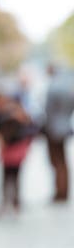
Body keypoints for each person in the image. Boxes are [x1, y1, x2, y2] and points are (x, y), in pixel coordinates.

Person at [0, 90, 33, 216]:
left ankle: (11, 201)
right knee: (10, 176)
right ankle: (11, 201)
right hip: (12, 149)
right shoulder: (9, 113)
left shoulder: (14, 114)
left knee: (10, 176)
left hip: (14, 149)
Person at [44, 64, 74, 202]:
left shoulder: (55, 86)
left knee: (58, 161)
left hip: (54, 128)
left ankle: (60, 191)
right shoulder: (67, 85)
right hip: (64, 126)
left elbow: (49, 110)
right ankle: (63, 191)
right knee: (62, 161)